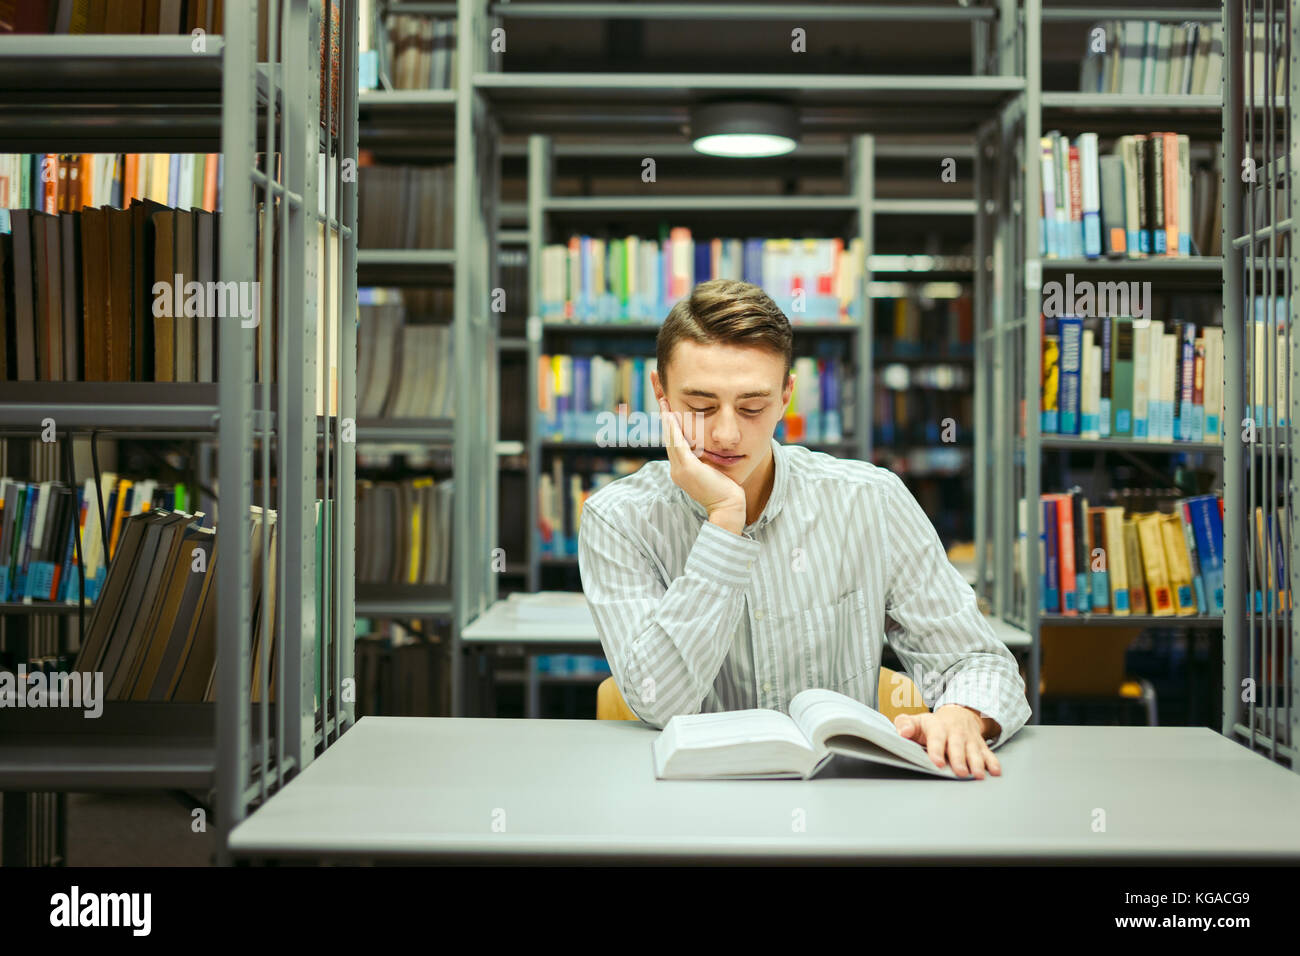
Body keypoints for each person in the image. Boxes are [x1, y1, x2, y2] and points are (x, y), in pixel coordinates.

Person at [577, 278, 1030, 779]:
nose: (726, 434)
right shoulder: (617, 519)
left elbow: (980, 663)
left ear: (787, 397)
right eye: (701, 407)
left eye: (753, 407)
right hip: (694, 816)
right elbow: (660, 700)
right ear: (660, 395)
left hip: (839, 808)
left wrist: (963, 715)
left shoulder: (869, 500)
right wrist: (726, 522)